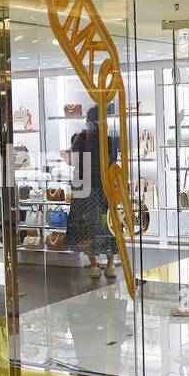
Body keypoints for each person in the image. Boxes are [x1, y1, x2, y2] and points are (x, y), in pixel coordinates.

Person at [67, 105, 119, 280]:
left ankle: (95, 266)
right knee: (107, 224)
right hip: (103, 186)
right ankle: (110, 264)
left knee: (86, 225)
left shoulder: (77, 138)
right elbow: (113, 164)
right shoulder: (109, 140)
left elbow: (74, 160)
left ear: (87, 120)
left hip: (83, 186)